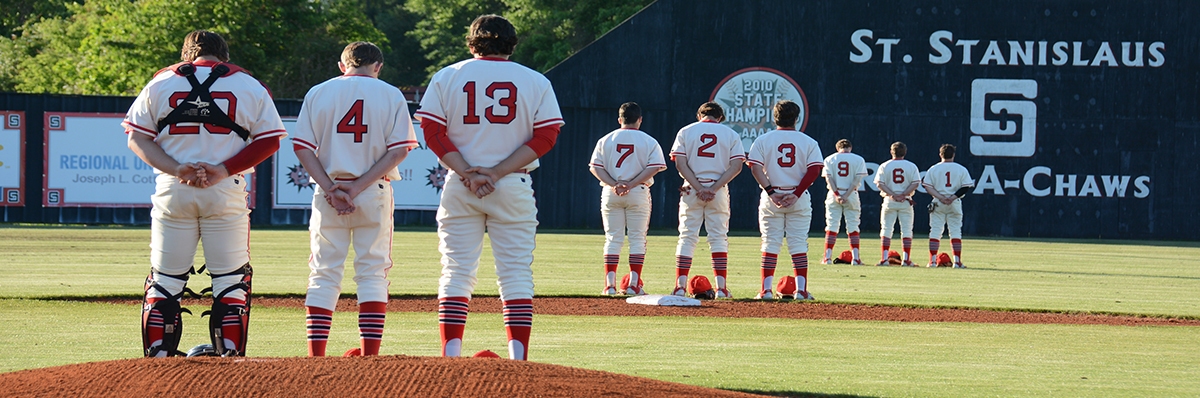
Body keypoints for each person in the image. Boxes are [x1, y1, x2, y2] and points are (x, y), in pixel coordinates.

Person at [124, 30, 286, 357]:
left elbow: (137, 139)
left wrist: (177, 168)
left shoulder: (160, 83)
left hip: (174, 188)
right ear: (223, 57)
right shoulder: (249, 85)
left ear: (187, 56)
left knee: (164, 282)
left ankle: (158, 359)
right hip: (224, 188)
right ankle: (229, 358)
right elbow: (270, 140)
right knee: (231, 281)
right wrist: (222, 170)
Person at [414, 14, 564, 361]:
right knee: (514, 273)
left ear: (472, 42)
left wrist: (469, 171)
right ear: (512, 43)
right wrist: (494, 173)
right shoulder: (535, 80)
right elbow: (546, 136)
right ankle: (518, 357)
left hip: (460, 182)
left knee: (456, 270)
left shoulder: (448, 75)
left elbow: (433, 133)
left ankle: (450, 354)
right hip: (512, 182)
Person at [292, 42, 419, 357]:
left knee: (323, 271)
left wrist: (332, 189)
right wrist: (357, 188)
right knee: (373, 271)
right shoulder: (390, 94)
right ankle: (370, 355)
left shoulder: (319, 92)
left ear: (341, 65)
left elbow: (302, 148)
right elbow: (400, 149)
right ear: (378, 66)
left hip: (329, 192)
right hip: (372, 191)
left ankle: (316, 356)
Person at [746, 100, 823, 300]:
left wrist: (771, 192)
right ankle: (801, 290)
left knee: (770, 243)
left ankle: (766, 290)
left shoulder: (763, 139)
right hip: (798, 197)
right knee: (798, 244)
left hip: (772, 197)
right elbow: (814, 170)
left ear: (774, 118)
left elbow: (754, 167)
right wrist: (796, 193)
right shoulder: (808, 141)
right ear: (797, 118)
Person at [588, 102, 667, 295]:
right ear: (639, 119)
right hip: (637, 191)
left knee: (613, 238)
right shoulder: (649, 140)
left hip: (611, 191)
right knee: (637, 239)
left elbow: (595, 167)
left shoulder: (606, 139)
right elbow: (655, 166)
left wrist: (615, 184)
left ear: (619, 119)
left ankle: (610, 286)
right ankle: (633, 285)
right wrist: (630, 184)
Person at [668, 102, 744, 298]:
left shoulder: (686, 131)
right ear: (719, 118)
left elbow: (680, 164)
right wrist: (712, 189)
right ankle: (721, 288)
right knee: (718, 237)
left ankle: (680, 287)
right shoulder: (730, 134)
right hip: (717, 190)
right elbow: (736, 167)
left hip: (690, 188)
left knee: (686, 237)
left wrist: (699, 187)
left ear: (699, 115)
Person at [921, 144, 975, 268]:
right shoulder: (961, 169)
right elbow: (966, 186)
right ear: (953, 155)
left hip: (938, 202)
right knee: (955, 231)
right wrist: (952, 197)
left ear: (940, 155)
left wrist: (940, 197)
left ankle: (932, 261)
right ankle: (957, 261)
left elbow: (927, 186)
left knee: (935, 231)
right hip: (954, 202)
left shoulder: (934, 168)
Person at [821, 139, 868, 265]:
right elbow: (857, 180)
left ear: (838, 148)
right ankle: (855, 258)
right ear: (850, 148)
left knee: (831, 226)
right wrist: (846, 195)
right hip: (851, 194)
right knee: (853, 225)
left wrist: (837, 194)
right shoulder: (858, 159)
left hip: (833, 194)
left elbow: (829, 179)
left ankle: (827, 257)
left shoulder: (829, 159)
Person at [874, 142, 921, 267]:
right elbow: (915, 183)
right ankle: (906, 260)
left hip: (890, 200)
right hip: (905, 200)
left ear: (891, 152)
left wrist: (893, 195)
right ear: (904, 152)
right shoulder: (911, 166)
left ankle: (884, 259)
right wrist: (904, 194)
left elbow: (880, 184)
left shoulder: (885, 165)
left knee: (886, 229)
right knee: (906, 230)